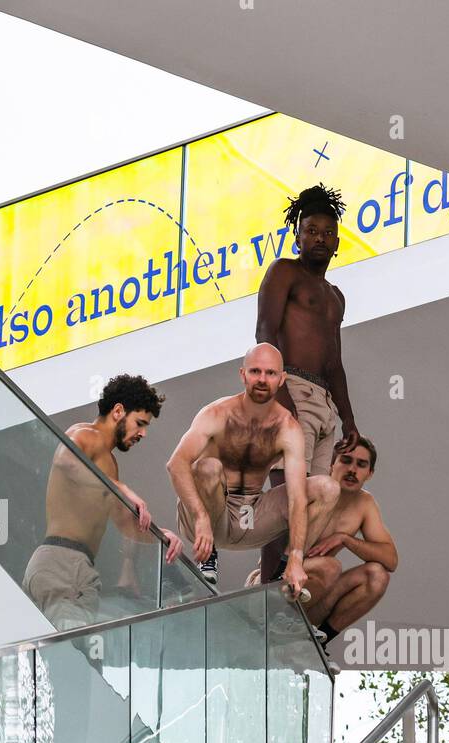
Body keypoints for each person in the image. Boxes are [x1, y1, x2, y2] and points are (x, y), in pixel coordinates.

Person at [215, 183, 357, 589]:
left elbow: (335, 361)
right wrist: (279, 395)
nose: (319, 239)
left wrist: (349, 419)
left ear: (337, 242)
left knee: (314, 505)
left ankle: (282, 584)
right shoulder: (284, 271)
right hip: (290, 387)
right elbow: (265, 330)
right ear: (297, 234)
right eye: (311, 230)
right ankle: (266, 589)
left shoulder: (335, 296)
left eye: (327, 233)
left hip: (325, 404)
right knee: (287, 498)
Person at [165, 343, 340, 605]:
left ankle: (284, 572)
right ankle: (209, 557)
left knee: (327, 488)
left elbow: (297, 498)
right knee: (208, 467)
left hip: (252, 516)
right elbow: (176, 464)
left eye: (270, 373)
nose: (262, 379)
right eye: (255, 371)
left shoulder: (287, 428)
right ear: (242, 374)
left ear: (281, 379)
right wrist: (201, 517)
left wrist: (296, 555)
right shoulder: (217, 413)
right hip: (208, 517)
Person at [22, 374, 182, 630]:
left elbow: (124, 524)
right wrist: (120, 487)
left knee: (86, 661)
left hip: (83, 570)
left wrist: (162, 537)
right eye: (140, 423)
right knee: (72, 656)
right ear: (118, 411)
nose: (143, 433)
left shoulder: (110, 464)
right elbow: (65, 461)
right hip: (59, 563)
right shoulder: (85, 433)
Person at [303, 434, 397, 650]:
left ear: (369, 473)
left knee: (377, 575)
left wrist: (346, 539)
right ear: (331, 465)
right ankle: (281, 619)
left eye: (361, 464)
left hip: (312, 598)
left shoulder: (365, 503)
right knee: (330, 566)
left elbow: (391, 560)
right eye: (346, 461)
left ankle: (318, 642)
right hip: (272, 587)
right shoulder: (315, 488)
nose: (353, 470)